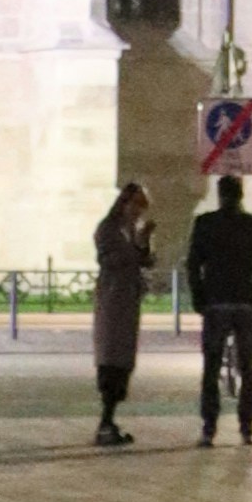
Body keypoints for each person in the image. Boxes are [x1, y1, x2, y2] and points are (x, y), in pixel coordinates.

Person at [184, 168, 252, 443]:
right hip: (245, 302)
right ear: (241, 195)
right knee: (247, 367)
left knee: (211, 366)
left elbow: (193, 263)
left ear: (219, 195)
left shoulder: (205, 224)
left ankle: (209, 428)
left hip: (216, 302)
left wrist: (199, 296)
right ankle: (247, 427)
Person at [90, 182, 156, 444]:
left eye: (142, 208)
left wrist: (145, 241)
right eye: (136, 205)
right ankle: (105, 421)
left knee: (123, 360)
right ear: (124, 203)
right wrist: (139, 243)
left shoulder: (130, 230)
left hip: (128, 301)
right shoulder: (109, 229)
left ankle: (110, 420)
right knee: (111, 359)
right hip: (112, 301)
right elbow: (114, 258)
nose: (139, 212)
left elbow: (146, 260)